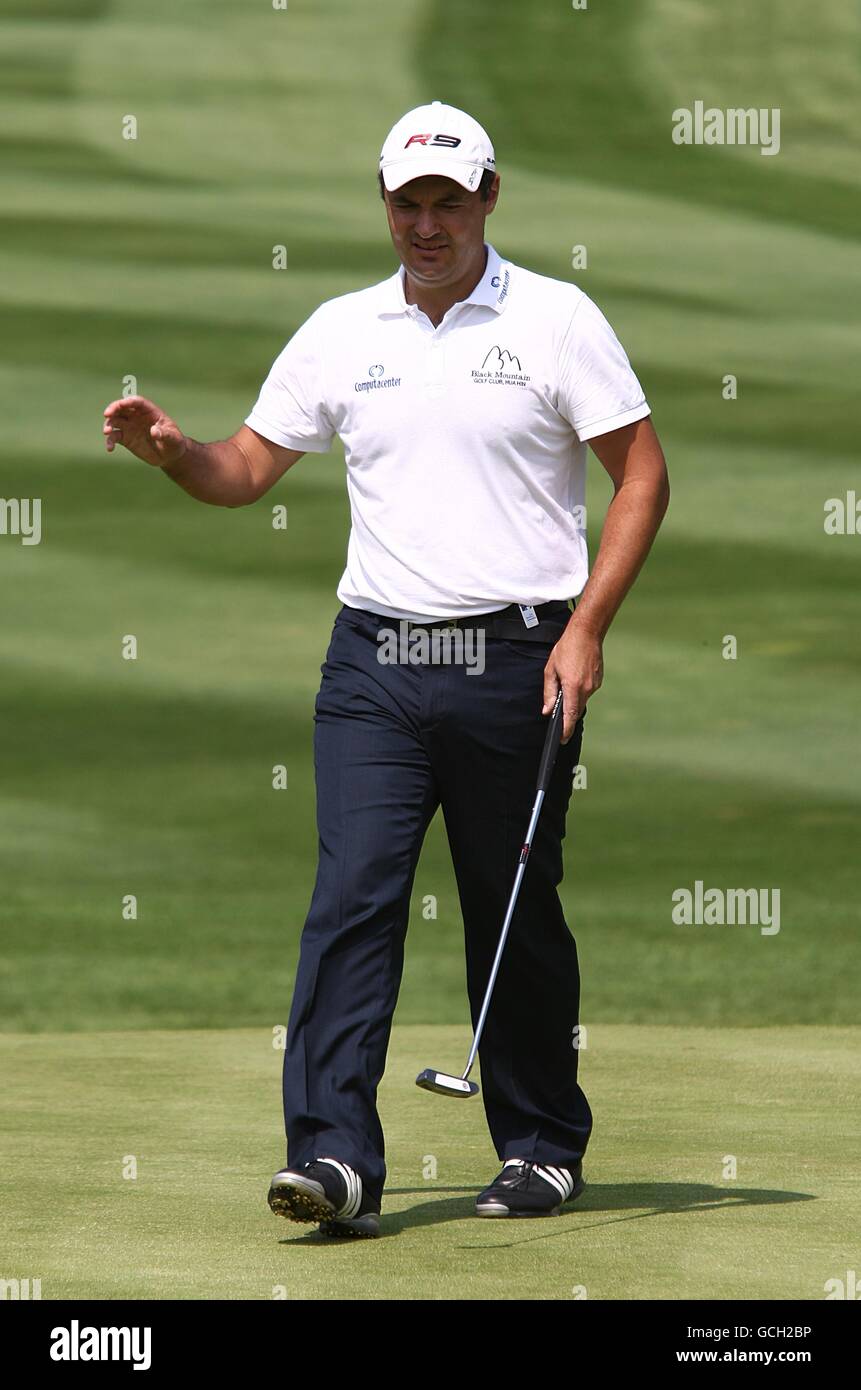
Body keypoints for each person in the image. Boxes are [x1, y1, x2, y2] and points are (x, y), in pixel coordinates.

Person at [103, 100, 669, 1240]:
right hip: (374, 660)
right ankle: (333, 1157)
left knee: (511, 904)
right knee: (353, 896)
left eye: (446, 201)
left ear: (488, 199)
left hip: (517, 652)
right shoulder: (342, 329)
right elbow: (247, 468)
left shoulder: (557, 321)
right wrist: (178, 456)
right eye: (406, 202)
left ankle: (542, 1145)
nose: (425, 223)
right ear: (386, 204)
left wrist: (587, 626)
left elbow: (642, 476)